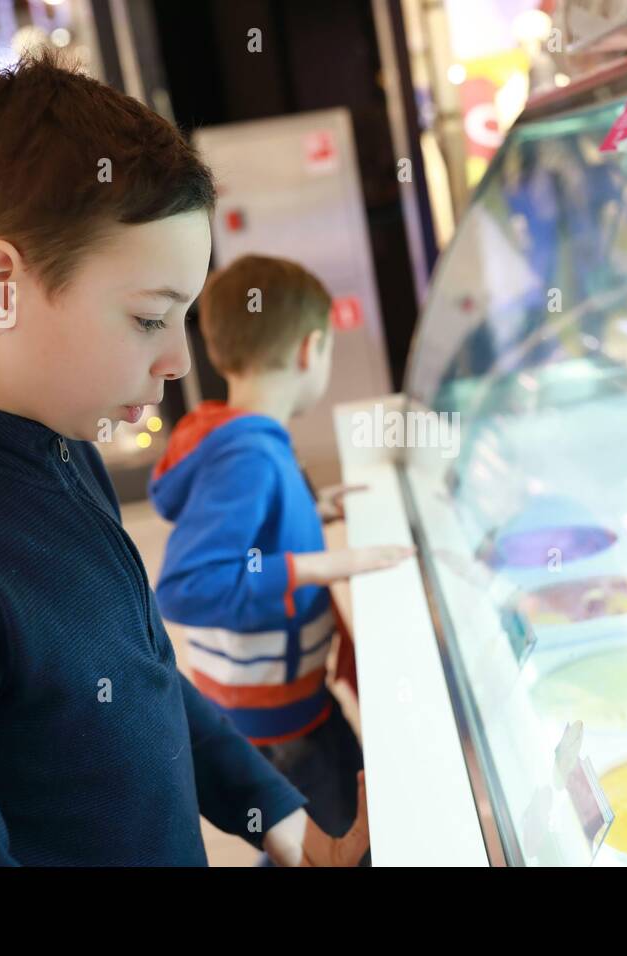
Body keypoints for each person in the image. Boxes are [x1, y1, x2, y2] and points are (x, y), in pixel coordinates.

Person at [0, 48, 366, 866]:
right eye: (147, 318)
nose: (176, 363)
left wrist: (285, 822)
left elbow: (148, 681)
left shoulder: (63, 453)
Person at [151, 254, 413, 864]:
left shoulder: (238, 437)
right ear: (310, 349)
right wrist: (315, 566)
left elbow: (244, 535)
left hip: (276, 709)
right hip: (278, 722)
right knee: (342, 846)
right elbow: (188, 585)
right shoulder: (247, 455)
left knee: (303, 837)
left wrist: (312, 511)